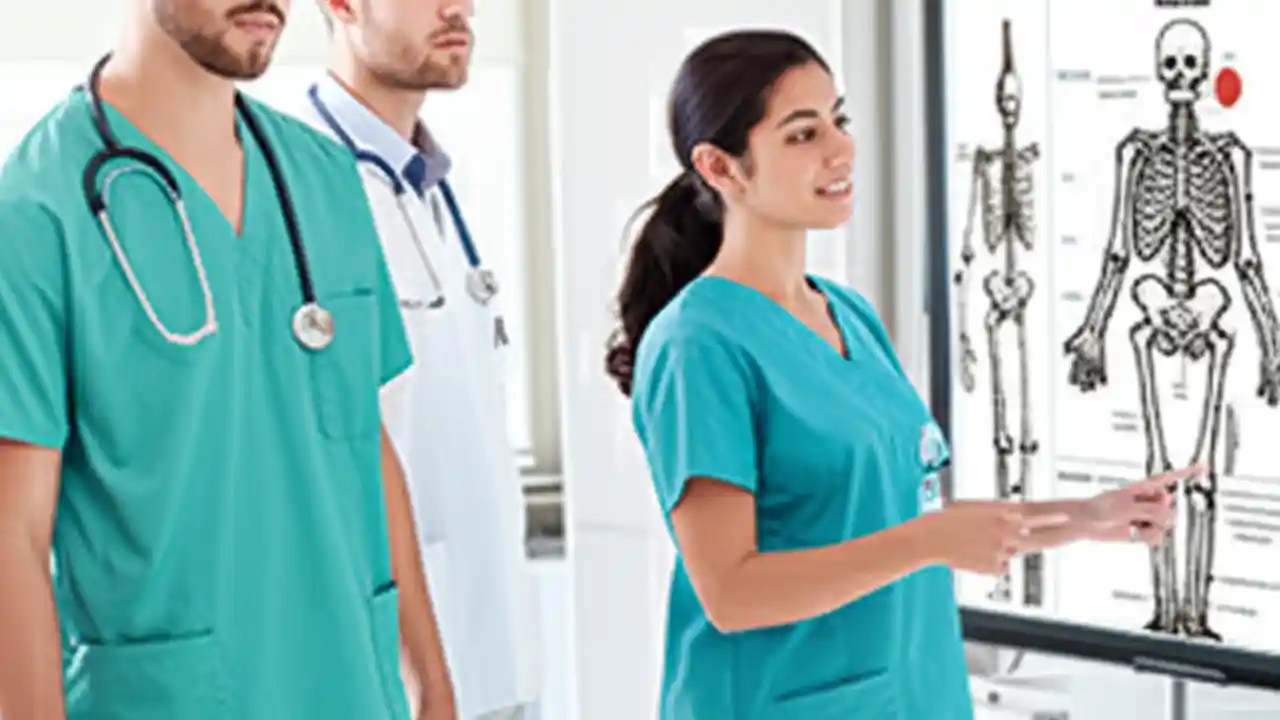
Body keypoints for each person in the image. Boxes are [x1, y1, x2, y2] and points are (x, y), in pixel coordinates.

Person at [604, 29, 1197, 720]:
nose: (841, 148)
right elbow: (731, 593)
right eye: (802, 134)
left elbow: (899, 514)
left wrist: (1087, 518)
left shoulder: (846, 314)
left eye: (839, 120)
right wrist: (929, 540)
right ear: (721, 167)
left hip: (915, 695)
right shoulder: (698, 344)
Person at [0, 1, 457, 718]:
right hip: (173, 697)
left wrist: (432, 681)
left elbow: (362, 441)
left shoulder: (323, 179)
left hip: (352, 687)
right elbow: (12, 532)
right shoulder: (35, 212)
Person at [290, 2, 541, 719]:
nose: (457, 8)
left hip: (496, 658)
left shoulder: (431, 184)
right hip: (392, 675)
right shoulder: (303, 186)